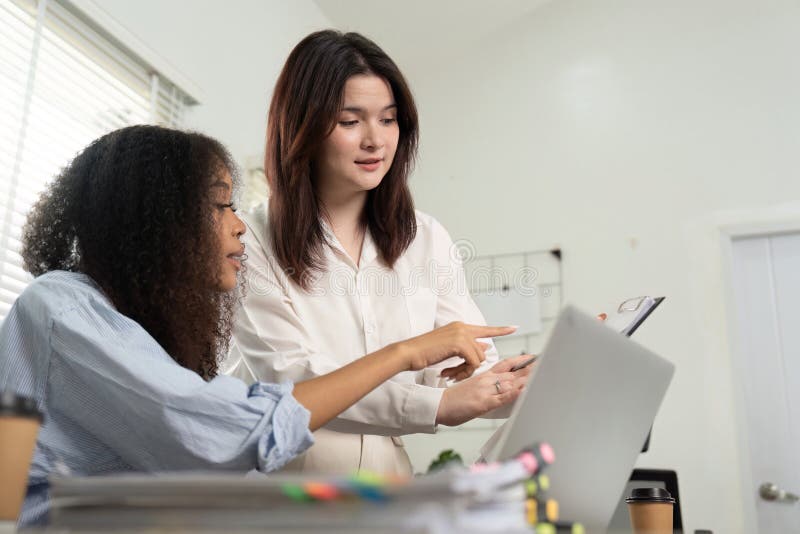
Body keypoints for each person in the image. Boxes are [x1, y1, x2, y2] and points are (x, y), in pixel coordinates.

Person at [0, 125, 517, 526]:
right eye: (219, 205)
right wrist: (403, 354)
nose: (238, 224)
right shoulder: (61, 308)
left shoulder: (132, 332)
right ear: (156, 219)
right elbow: (217, 435)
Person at [224, 30, 534, 475]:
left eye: (388, 120)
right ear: (302, 127)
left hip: (387, 491)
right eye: (350, 122)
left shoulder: (426, 237)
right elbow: (293, 383)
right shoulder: (247, 238)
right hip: (283, 495)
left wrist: (536, 378)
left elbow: (470, 375)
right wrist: (435, 405)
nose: (376, 140)